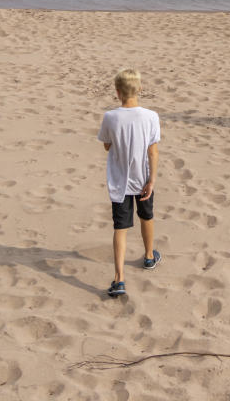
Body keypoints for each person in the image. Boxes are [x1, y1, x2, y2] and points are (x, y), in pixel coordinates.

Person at [97, 68, 160, 297]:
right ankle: (149, 256)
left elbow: (106, 144)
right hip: (143, 178)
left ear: (117, 92)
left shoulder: (110, 117)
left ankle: (119, 278)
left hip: (119, 181)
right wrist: (152, 180)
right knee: (146, 216)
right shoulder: (151, 116)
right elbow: (153, 152)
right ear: (140, 89)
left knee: (120, 227)